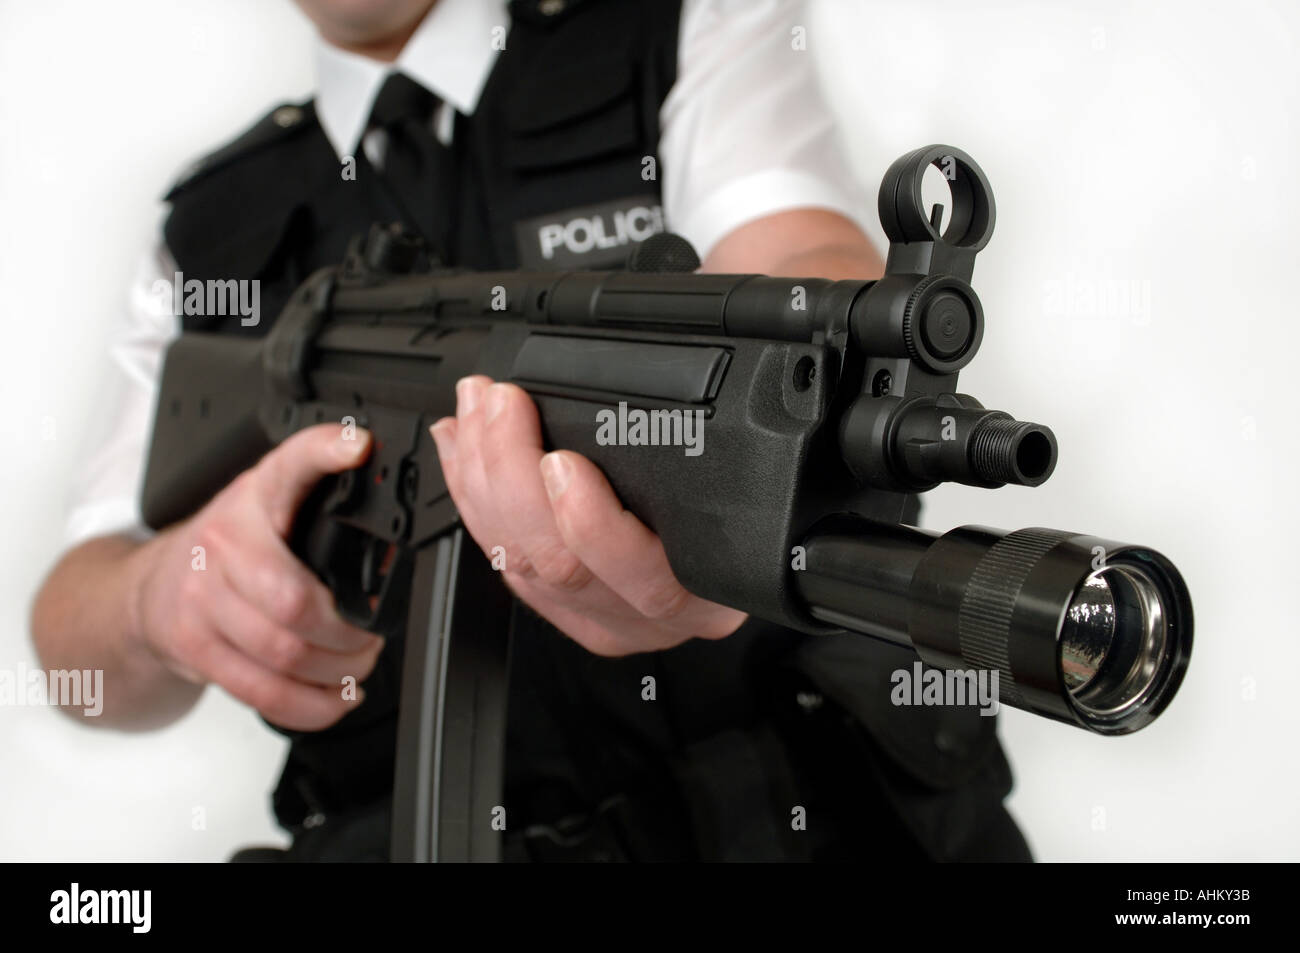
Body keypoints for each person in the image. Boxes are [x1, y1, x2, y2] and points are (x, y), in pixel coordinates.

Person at [31, 0, 1032, 861]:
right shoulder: (208, 225)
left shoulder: (670, 29)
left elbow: (804, 262)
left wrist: (743, 454)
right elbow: (76, 609)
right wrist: (162, 599)